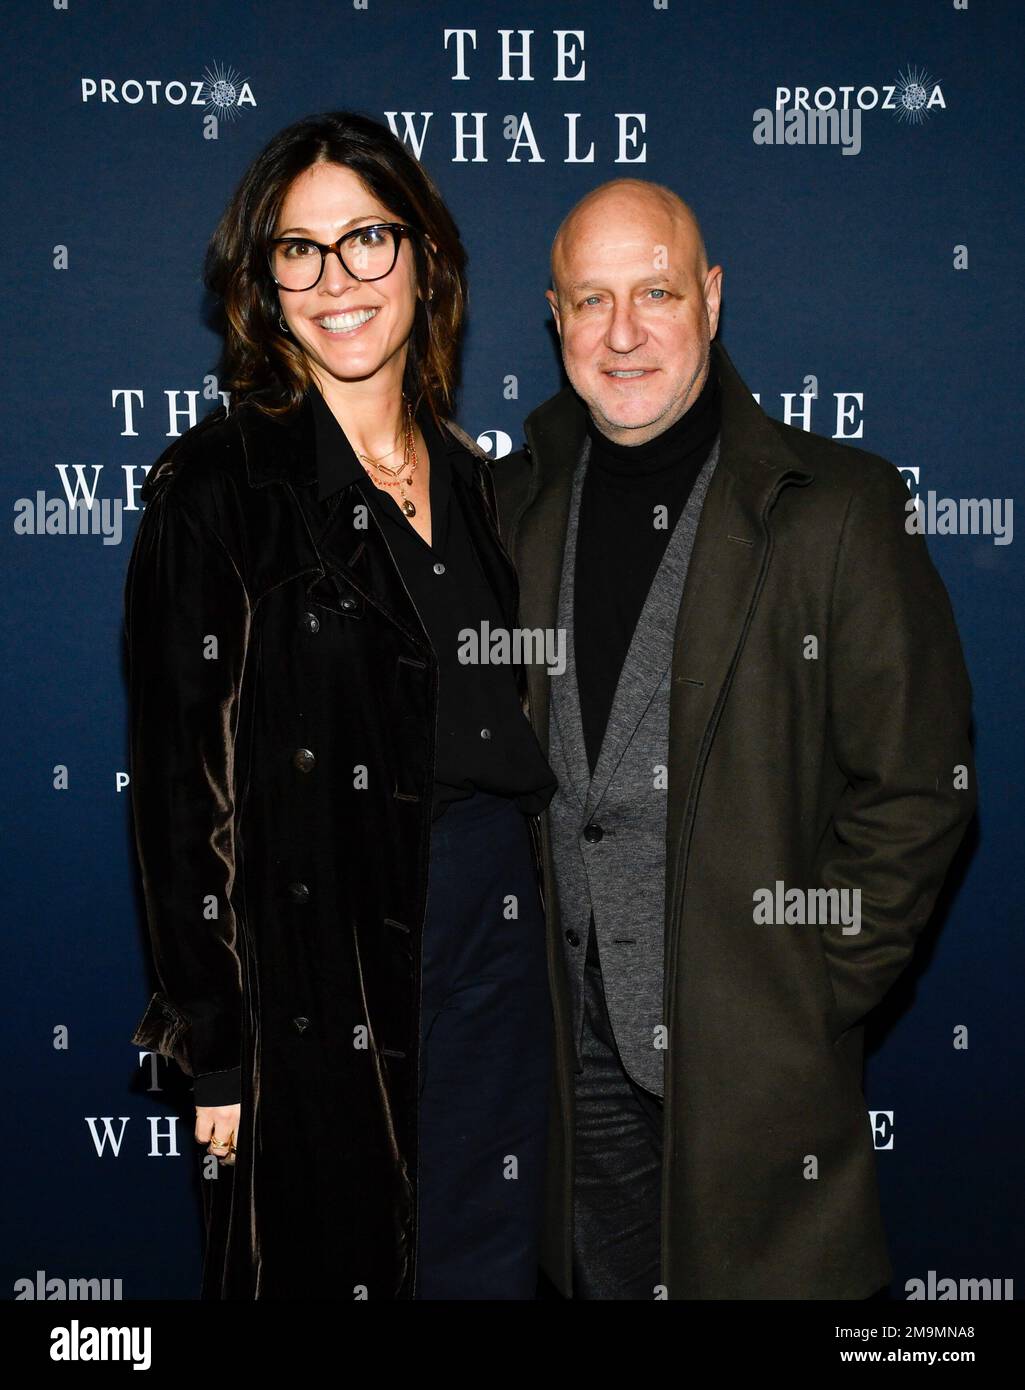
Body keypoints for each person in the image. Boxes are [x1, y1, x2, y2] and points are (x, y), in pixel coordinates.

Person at [492, 177, 977, 1299]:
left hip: (753, 1073)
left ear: (709, 298)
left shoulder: (836, 507)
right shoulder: (512, 506)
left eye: (653, 292)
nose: (621, 334)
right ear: (553, 316)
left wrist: (806, 984)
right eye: (589, 300)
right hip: (571, 1072)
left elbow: (919, 785)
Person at [124, 110, 556, 1300]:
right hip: (323, 982)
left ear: (426, 258)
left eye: (367, 239)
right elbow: (181, 795)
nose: (336, 280)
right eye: (297, 250)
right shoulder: (220, 486)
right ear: (261, 283)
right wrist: (214, 1045)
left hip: (497, 958)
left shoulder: (481, 488)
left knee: (483, 1266)